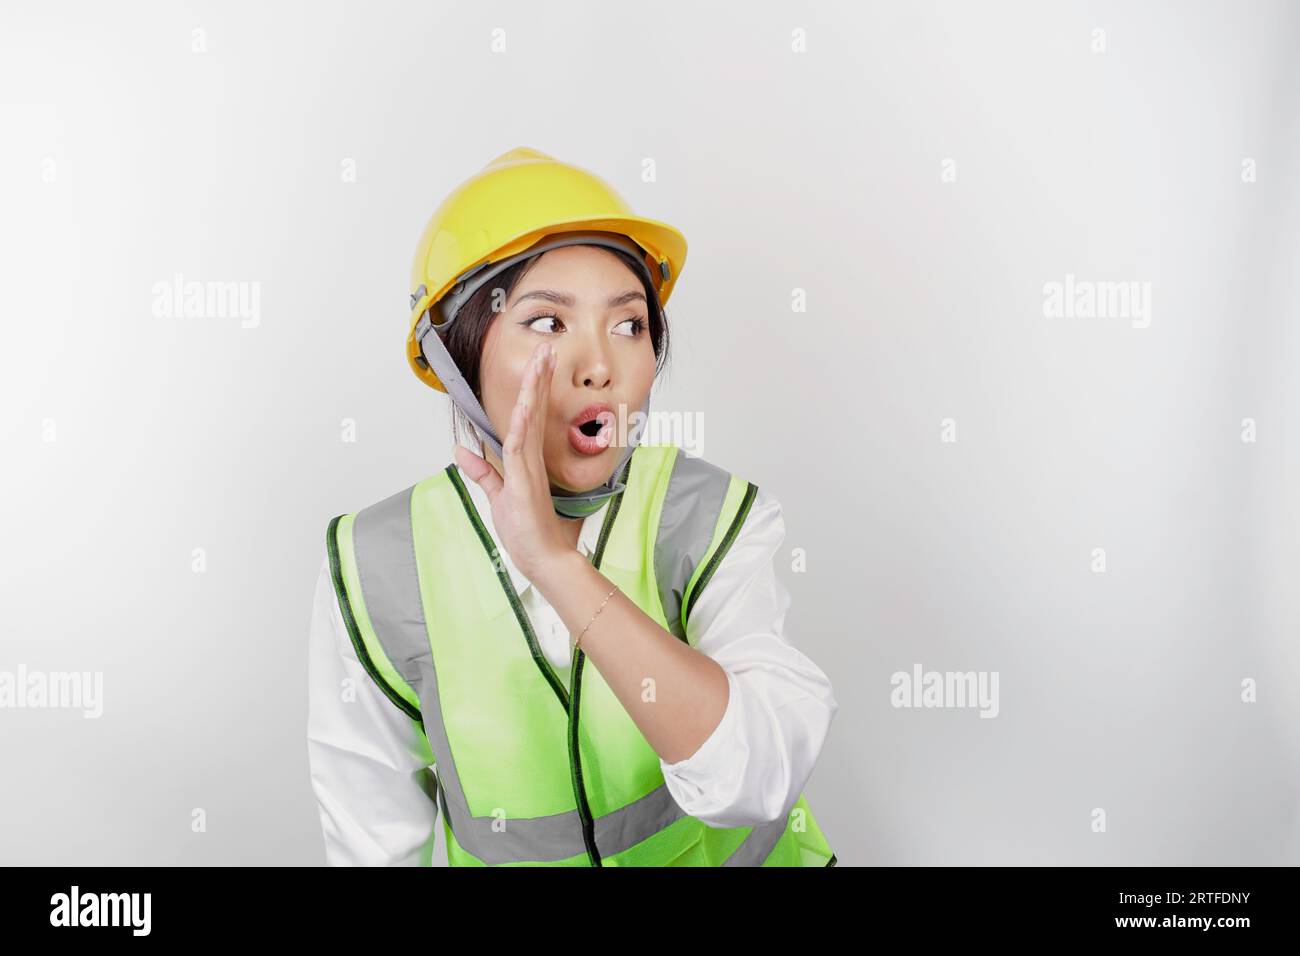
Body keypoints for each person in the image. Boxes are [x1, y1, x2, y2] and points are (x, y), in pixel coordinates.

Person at [306, 147, 839, 866]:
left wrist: (555, 567)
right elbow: (372, 845)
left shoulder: (713, 518)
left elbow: (758, 780)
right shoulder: (376, 566)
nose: (600, 364)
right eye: (548, 323)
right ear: (455, 362)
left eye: (629, 325)